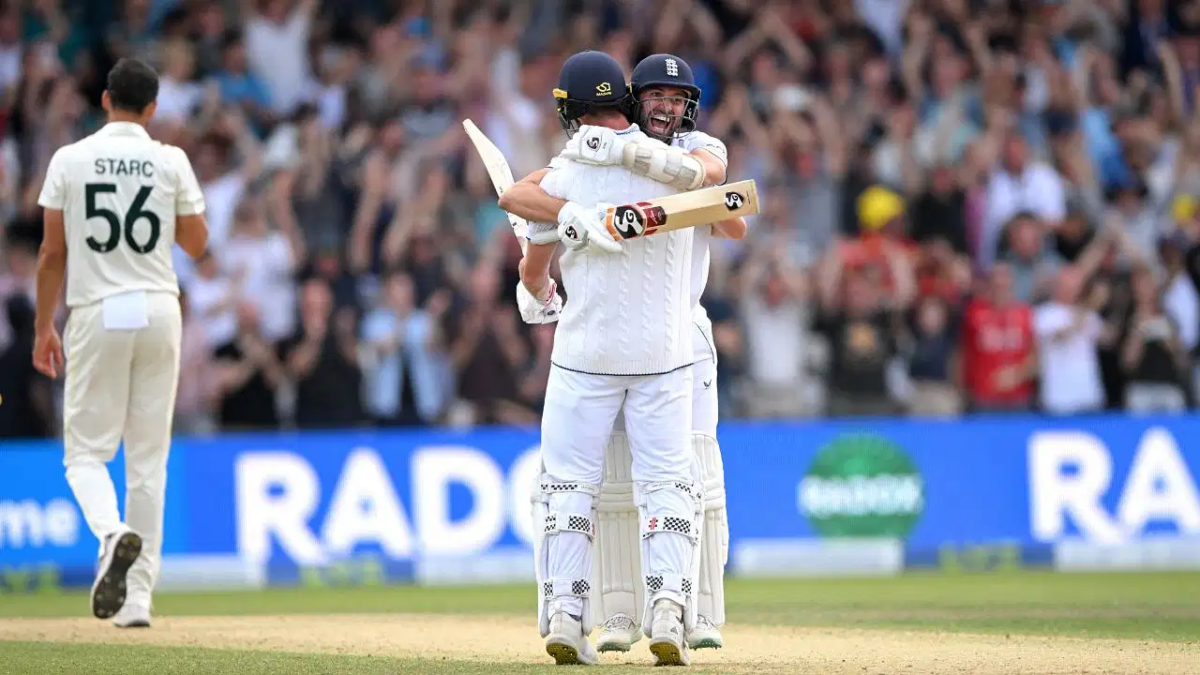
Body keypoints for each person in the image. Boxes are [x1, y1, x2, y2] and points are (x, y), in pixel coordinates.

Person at [507, 52, 744, 652]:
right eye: (656, 96)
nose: (667, 107)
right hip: (664, 355)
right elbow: (731, 204)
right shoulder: (678, 175)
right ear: (630, 100)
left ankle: (567, 614)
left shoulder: (570, 170)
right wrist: (587, 212)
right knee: (669, 484)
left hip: (584, 356)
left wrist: (563, 233)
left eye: (675, 98)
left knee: (568, 486)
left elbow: (517, 207)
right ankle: (667, 612)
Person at [32, 58, 208, 628]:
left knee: (85, 454)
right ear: (153, 108)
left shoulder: (70, 159)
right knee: (148, 462)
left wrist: (43, 326)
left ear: (105, 100)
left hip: (98, 309)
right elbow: (197, 244)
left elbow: (51, 253)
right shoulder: (171, 159)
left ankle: (111, 533)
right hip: (159, 308)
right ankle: (137, 601)